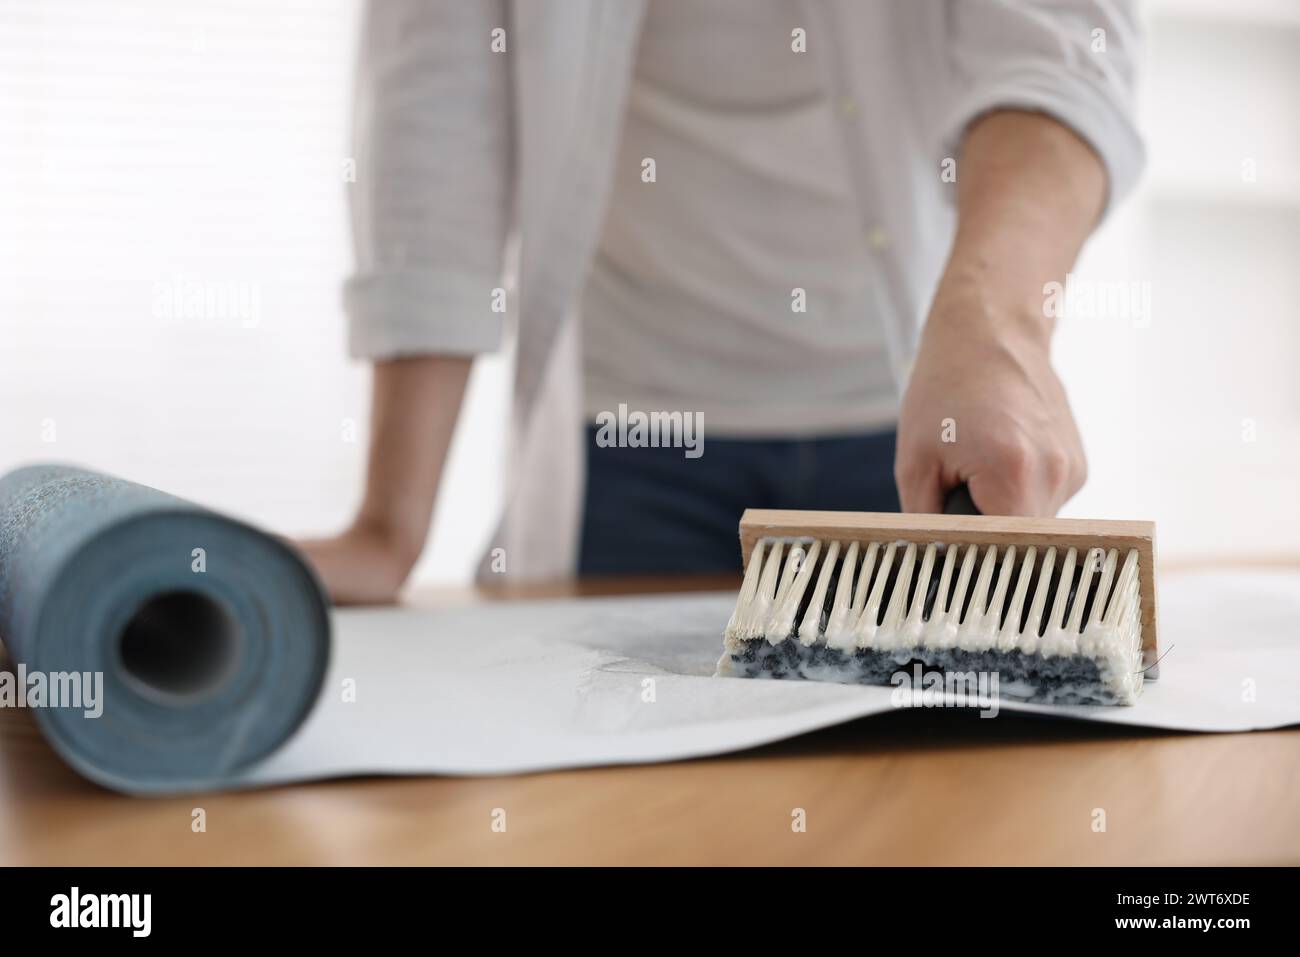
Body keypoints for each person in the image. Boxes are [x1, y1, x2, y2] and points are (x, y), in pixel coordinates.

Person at [302, 0, 1143, 603]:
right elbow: (436, 106)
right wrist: (389, 520)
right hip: (628, 445)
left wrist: (996, 328)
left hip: (912, 432)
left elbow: (1063, 47)